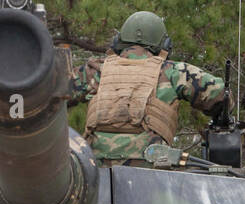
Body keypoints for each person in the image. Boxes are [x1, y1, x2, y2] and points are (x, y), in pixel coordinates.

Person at [72, 10, 234, 166]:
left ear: (118, 41)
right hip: (151, 174)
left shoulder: (94, 71)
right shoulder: (173, 71)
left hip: (97, 173)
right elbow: (220, 95)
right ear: (164, 45)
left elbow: (53, 93)